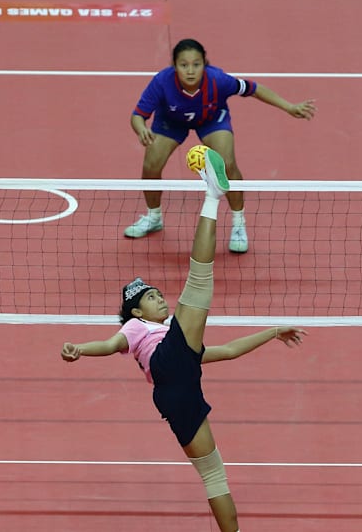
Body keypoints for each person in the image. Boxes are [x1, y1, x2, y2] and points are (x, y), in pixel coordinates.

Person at [62, 147, 307, 532]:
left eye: (158, 293)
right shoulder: (136, 330)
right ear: (138, 312)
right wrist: (80, 349)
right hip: (169, 367)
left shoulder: (176, 338)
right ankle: (212, 195)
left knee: (214, 476)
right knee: (199, 280)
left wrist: (273, 332)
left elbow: (225, 352)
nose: (159, 298)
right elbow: (109, 346)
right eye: (150, 298)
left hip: (178, 389)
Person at [125, 38, 317, 253]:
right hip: (171, 121)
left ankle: (238, 223)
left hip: (211, 118)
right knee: (151, 164)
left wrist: (289, 107)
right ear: (174, 65)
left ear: (204, 64)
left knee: (227, 164)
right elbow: (137, 116)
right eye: (184, 65)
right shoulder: (162, 81)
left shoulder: (218, 80)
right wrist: (141, 128)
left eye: (196, 64)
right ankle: (154, 217)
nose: (190, 70)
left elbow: (254, 88)